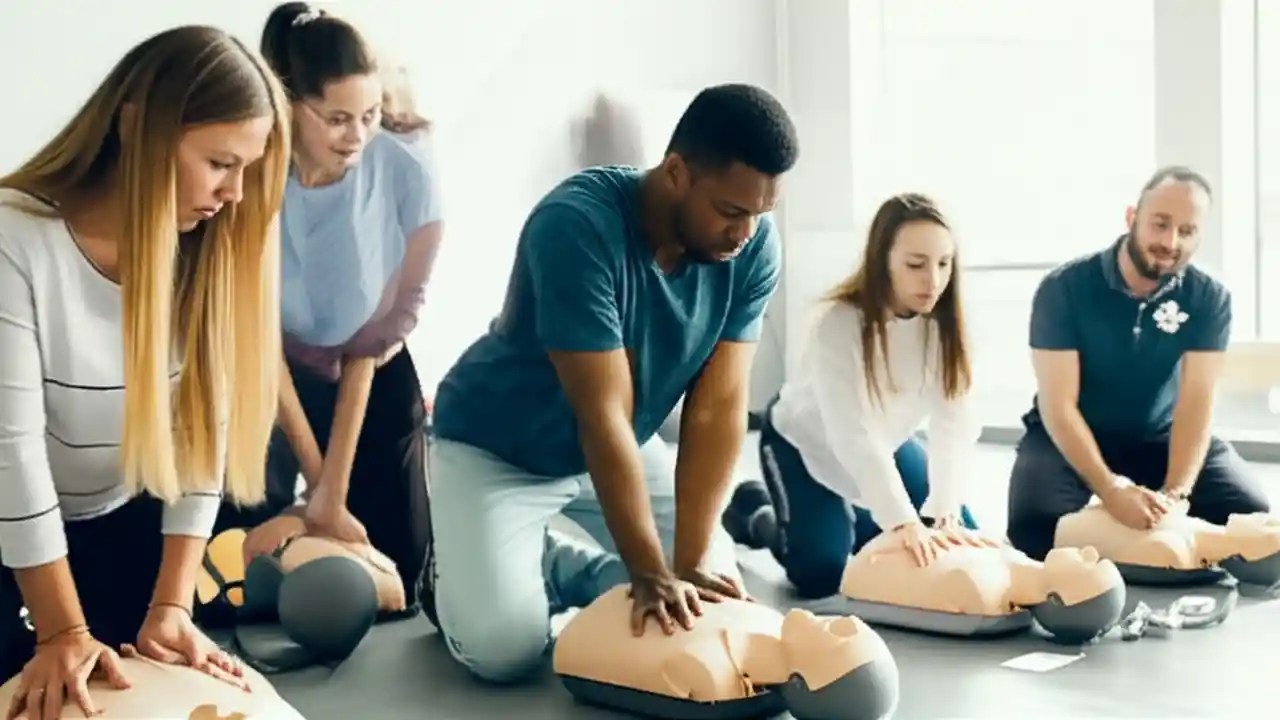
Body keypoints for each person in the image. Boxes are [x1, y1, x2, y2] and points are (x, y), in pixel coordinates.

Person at [428, 83, 798, 683]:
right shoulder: (575, 225)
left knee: (710, 595)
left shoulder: (751, 249)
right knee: (504, 652)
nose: (745, 233)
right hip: (498, 449)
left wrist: (690, 560)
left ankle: (571, 567)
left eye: (760, 215)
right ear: (676, 172)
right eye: (731, 212)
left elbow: (719, 408)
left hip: (626, 440)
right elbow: (600, 412)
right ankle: (464, 569)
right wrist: (651, 572)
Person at [0, 25, 290, 719]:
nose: (237, 193)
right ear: (138, 128)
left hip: (114, 519)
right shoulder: (15, 241)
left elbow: (201, 440)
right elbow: (12, 452)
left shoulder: (205, 248)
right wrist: (63, 630)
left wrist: (169, 606)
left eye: (248, 167)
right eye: (221, 162)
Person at [224, 3, 444, 614]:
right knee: (223, 561)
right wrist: (316, 491)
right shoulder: (247, 175)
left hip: (369, 372)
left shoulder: (406, 169)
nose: (357, 135)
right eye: (337, 118)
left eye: (370, 116)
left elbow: (369, 343)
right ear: (290, 107)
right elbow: (253, 337)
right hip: (269, 368)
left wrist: (331, 492)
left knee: (402, 583)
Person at [721, 193, 994, 599]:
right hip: (805, 443)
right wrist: (903, 523)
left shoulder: (946, 327)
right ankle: (754, 511)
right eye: (916, 265)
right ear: (883, 260)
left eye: (943, 263)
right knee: (823, 572)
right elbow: (853, 434)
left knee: (960, 541)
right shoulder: (840, 323)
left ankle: (863, 520)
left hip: (888, 443)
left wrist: (945, 508)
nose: (933, 281)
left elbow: (954, 424)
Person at [1006, 166, 1272, 561]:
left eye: (1187, 231)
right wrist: (1110, 490)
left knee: (1250, 513)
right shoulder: (1063, 288)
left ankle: (1134, 532)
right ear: (1133, 218)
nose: (1170, 241)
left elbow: (1196, 401)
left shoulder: (1209, 297)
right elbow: (1058, 405)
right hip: (1069, 436)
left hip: (1157, 437)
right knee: (1033, 527)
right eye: (1160, 224)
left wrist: (1176, 494)